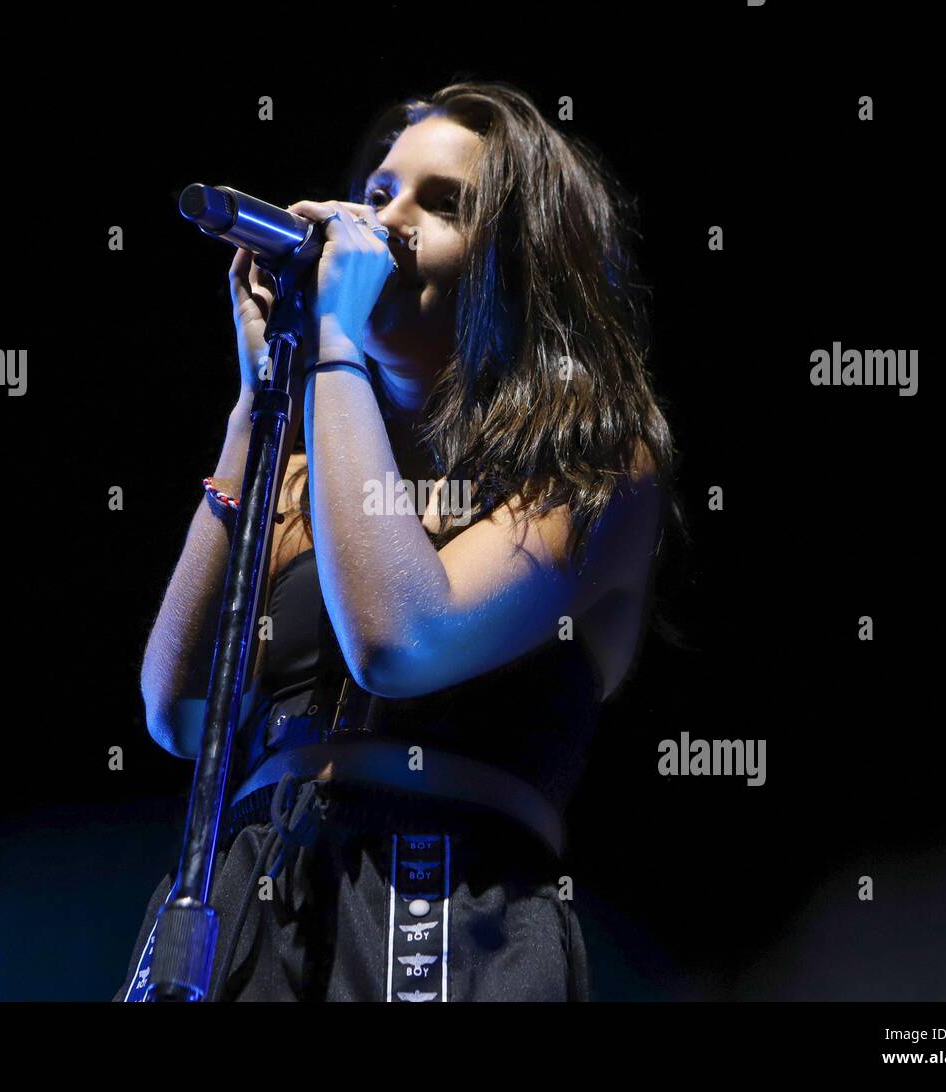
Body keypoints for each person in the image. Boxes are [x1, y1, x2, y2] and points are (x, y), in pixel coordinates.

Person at [112, 80, 683, 1002]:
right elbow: (178, 715)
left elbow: (398, 642)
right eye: (379, 195)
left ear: (522, 263)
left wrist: (333, 339)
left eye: (442, 203)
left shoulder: (597, 466)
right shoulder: (301, 475)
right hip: (252, 895)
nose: (388, 223)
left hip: (445, 907)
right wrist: (259, 408)